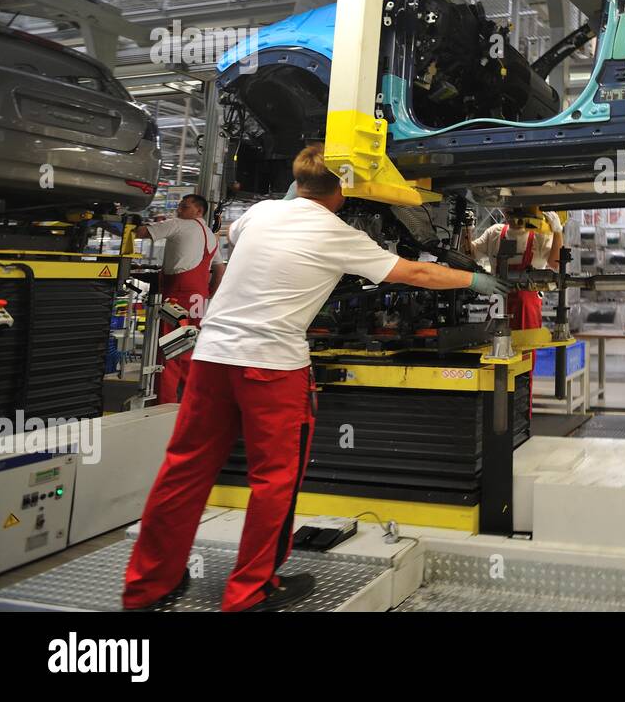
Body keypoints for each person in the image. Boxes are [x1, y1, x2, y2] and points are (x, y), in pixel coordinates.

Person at [122, 144, 506, 612]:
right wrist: (473, 280)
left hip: (211, 358)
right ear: (342, 189)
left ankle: (147, 585)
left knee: (183, 470)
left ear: (296, 181)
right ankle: (250, 591)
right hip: (272, 368)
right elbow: (419, 273)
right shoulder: (336, 233)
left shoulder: (259, 214)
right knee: (274, 481)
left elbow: (246, 235)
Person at [135, 194, 225, 403]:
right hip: (199, 301)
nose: (179, 210)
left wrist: (125, 222)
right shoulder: (211, 236)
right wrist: (209, 292)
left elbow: (141, 232)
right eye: (179, 207)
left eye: (184, 207)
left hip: (178, 298)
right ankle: (191, 403)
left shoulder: (179, 225)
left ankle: (164, 406)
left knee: (170, 353)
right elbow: (219, 269)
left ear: (198, 211)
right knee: (188, 353)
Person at [465, 206, 563, 330]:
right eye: (509, 209)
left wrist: (558, 231)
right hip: (498, 307)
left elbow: (555, 263)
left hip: (527, 311)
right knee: (493, 346)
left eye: (517, 209)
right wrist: (466, 228)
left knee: (525, 346)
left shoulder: (540, 236)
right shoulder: (494, 232)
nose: (514, 215)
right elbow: (469, 254)